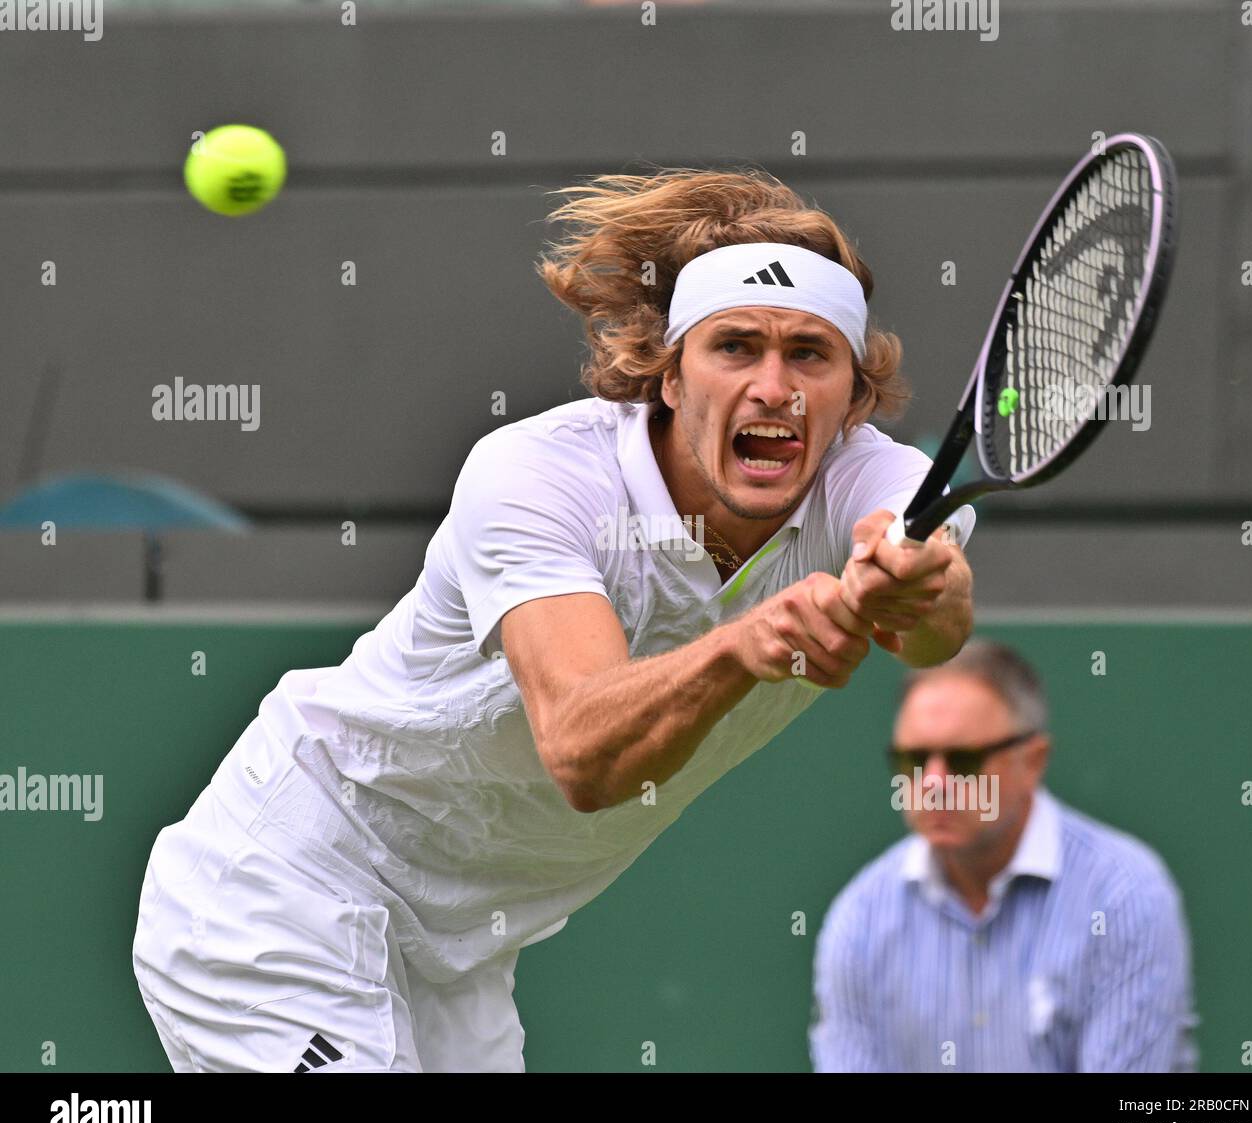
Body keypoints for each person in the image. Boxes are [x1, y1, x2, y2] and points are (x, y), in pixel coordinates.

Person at [133, 166, 976, 1072]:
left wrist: (913, 583)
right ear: (668, 378)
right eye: (735, 347)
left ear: (852, 398)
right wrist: (744, 645)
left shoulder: (879, 484)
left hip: (459, 955)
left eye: (810, 354)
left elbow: (934, 623)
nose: (774, 385)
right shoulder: (537, 478)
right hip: (281, 886)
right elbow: (583, 751)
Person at [810, 638, 1198, 1072]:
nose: (933, 783)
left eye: (964, 760)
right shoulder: (859, 918)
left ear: (1032, 762)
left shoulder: (1125, 896)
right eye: (914, 760)